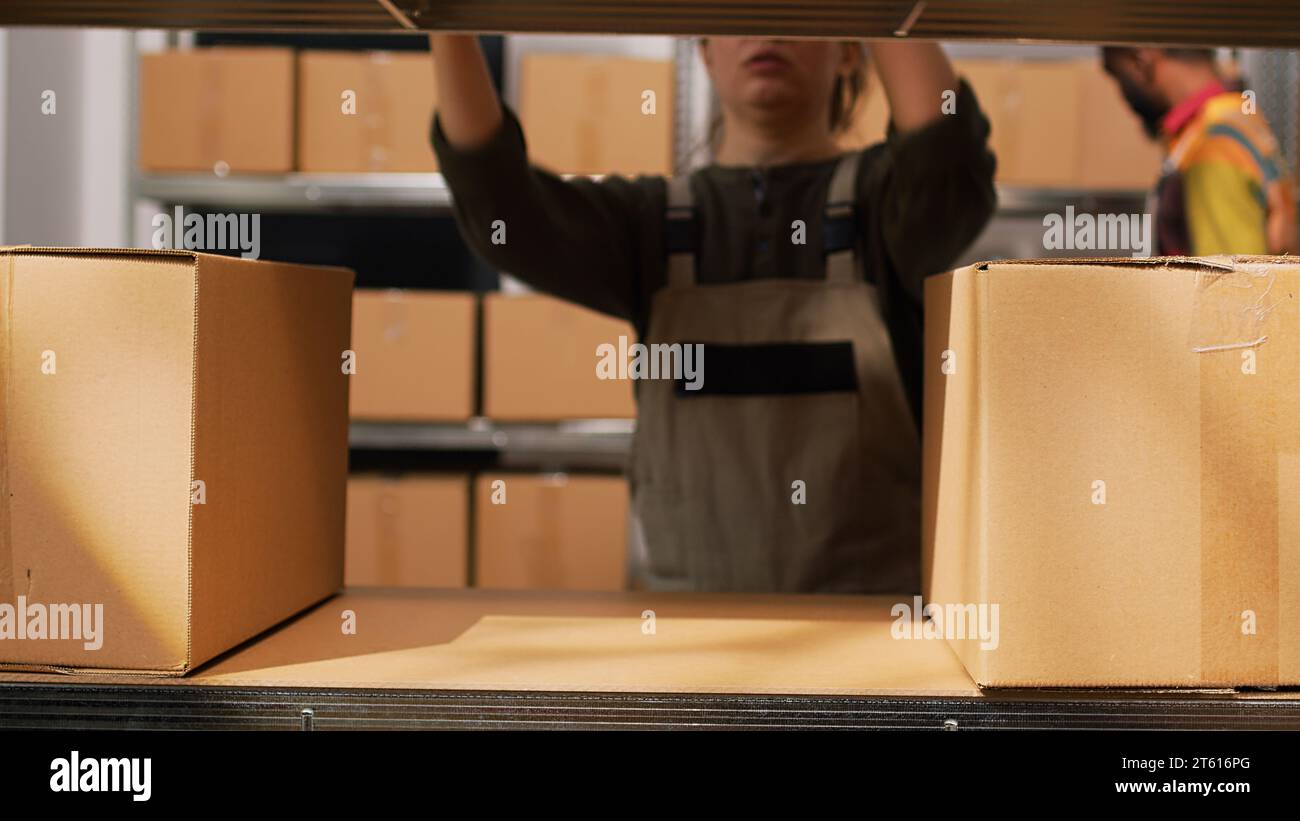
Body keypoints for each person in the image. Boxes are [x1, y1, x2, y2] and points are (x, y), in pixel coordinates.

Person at [430, 35, 996, 594]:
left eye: (801, 8)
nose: (769, 30)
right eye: (741, 9)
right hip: (690, 654)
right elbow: (501, 206)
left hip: (869, 660)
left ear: (850, 50)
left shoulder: (887, 209)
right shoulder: (648, 227)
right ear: (704, 50)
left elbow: (945, 153)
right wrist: (446, 23)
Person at [1102, 47, 1296, 256]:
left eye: (1120, 75)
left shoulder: (1213, 145)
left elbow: (1227, 280)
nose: (1124, 95)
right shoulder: (1234, 113)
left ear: (1142, 61)